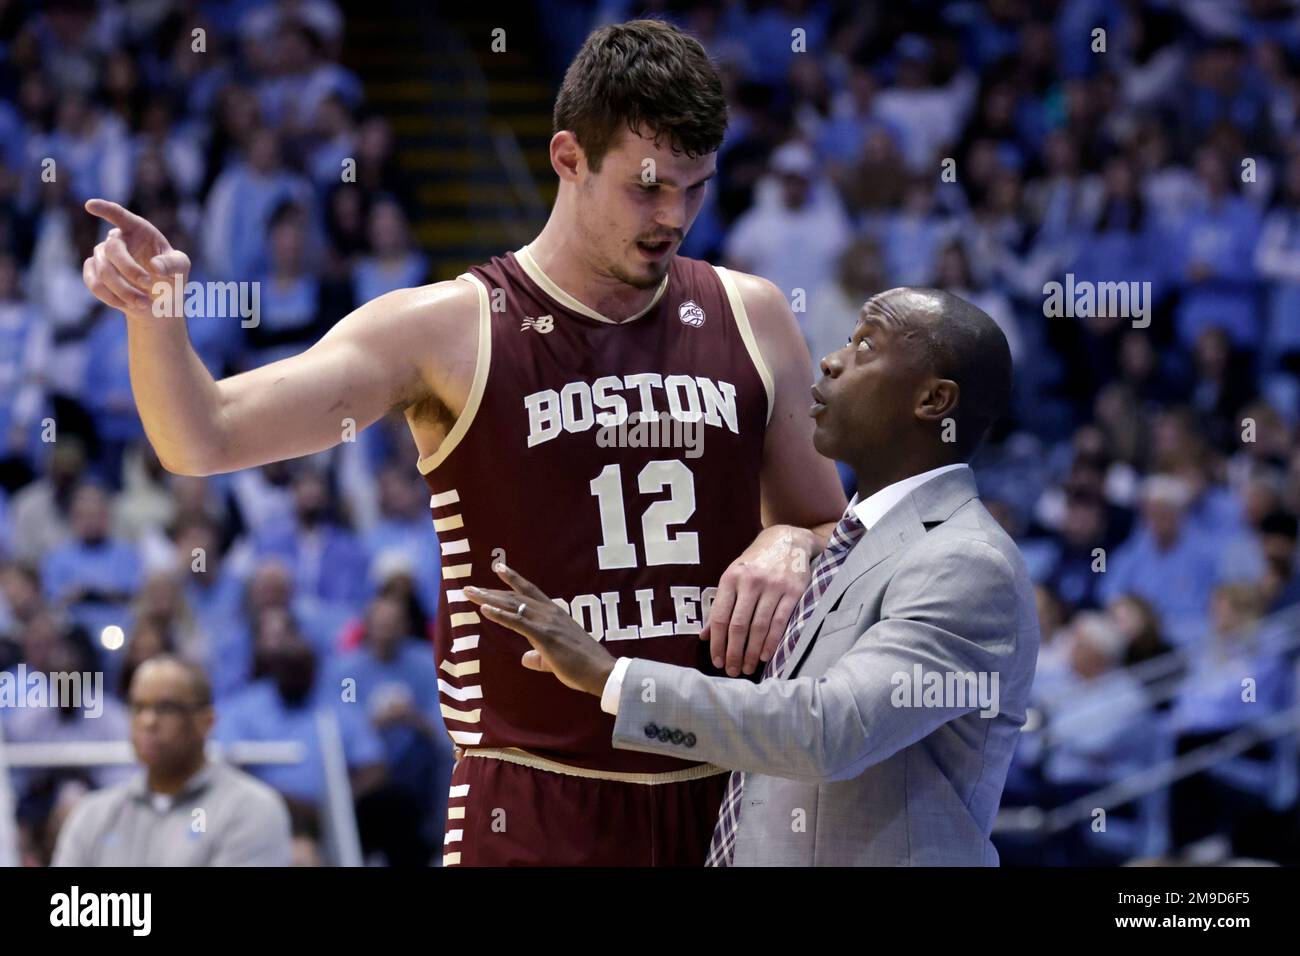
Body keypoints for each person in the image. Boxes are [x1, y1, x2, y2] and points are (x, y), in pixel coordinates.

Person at [80, 19, 846, 866]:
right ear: (567, 158)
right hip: (532, 793)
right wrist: (154, 319)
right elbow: (202, 438)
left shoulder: (753, 312)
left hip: (728, 785)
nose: (674, 218)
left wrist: (789, 542)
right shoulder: (448, 326)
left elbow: (824, 525)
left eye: (696, 190)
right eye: (649, 188)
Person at [466, 287, 1040, 866]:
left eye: (866, 345)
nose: (832, 360)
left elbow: (828, 731)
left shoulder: (967, 561)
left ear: (934, 400)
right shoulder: (852, 542)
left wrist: (609, 676)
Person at [51, 655, 292, 866]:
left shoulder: (250, 809)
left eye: (165, 708)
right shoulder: (92, 815)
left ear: (205, 721)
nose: (148, 722)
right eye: (138, 707)